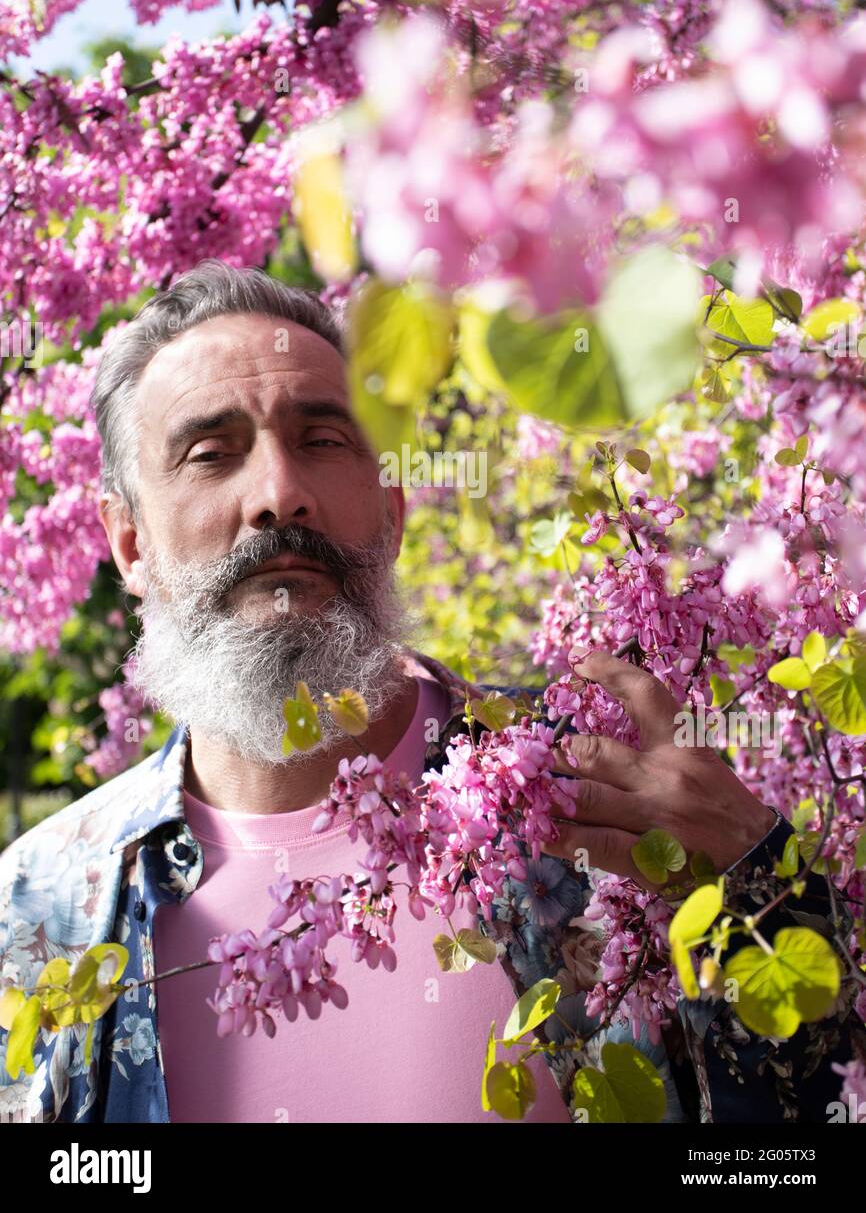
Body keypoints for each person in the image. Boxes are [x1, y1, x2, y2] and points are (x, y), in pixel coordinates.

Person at [0, 261, 857, 1123]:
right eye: (210, 454)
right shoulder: (41, 905)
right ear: (130, 546)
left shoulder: (606, 791)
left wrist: (765, 889)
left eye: (323, 441)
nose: (279, 495)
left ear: (394, 509)